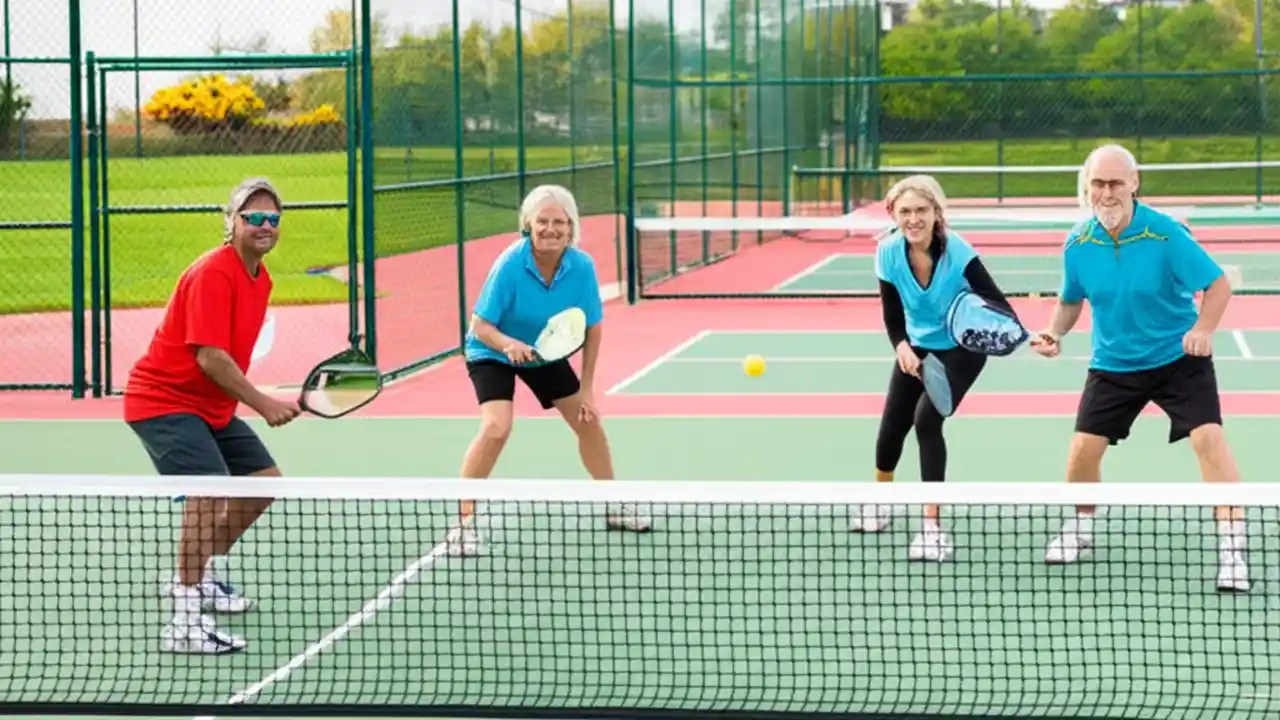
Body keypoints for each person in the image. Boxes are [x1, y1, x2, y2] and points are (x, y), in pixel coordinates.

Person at [1030, 144, 1248, 592]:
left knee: (1209, 440)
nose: (1107, 192)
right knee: (1082, 453)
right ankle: (1080, 527)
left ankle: (1232, 550)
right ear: (1087, 187)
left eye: (1115, 182)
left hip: (1178, 359)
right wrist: (1055, 332)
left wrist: (1204, 328)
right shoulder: (1078, 243)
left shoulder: (1166, 235)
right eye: (1098, 183)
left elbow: (1218, 283)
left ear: (1134, 183)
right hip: (1113, 363)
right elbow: (1071, 300)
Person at [124, 177, 302, 653]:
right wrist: (265, 404)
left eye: (272, 218)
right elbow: (211, 357)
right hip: (163, 400)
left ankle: (197, 570)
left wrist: (274, 398)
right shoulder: (213, 272)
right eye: (253, 217)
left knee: (263, 482)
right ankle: (183, 623)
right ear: (232, 223)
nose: (264, 225)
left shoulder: (261, 279)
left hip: (209, 407)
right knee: (207, 493)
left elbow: (229, 358)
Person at [446, 184, 650, 557]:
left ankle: (614, 503)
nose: (551, 229)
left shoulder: (582, 267)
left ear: (571, 228)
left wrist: (587, 390)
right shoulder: (509, 264)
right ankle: (463, 524)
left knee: (588, 422)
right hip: (493, 349)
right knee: (496, 426)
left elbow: (593, 327)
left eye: (560, 222)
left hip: (543, 349)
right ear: (528, 224)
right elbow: (480, 325)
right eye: (543, 221)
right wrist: (508, 345)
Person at [851, 174, 1019, 563]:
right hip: (918, 347)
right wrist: (902, 347)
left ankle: (931, 528)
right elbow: (892, 315)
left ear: (936, 214)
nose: (913, 219)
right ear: (894, 215)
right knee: (891, 430)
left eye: (922, 210)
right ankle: (880, 503)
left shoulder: (959, 253)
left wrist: (1010, 333)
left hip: (961, 349)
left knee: (927, 419)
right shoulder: (888, 253)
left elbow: (997, 305)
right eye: (905, 211)